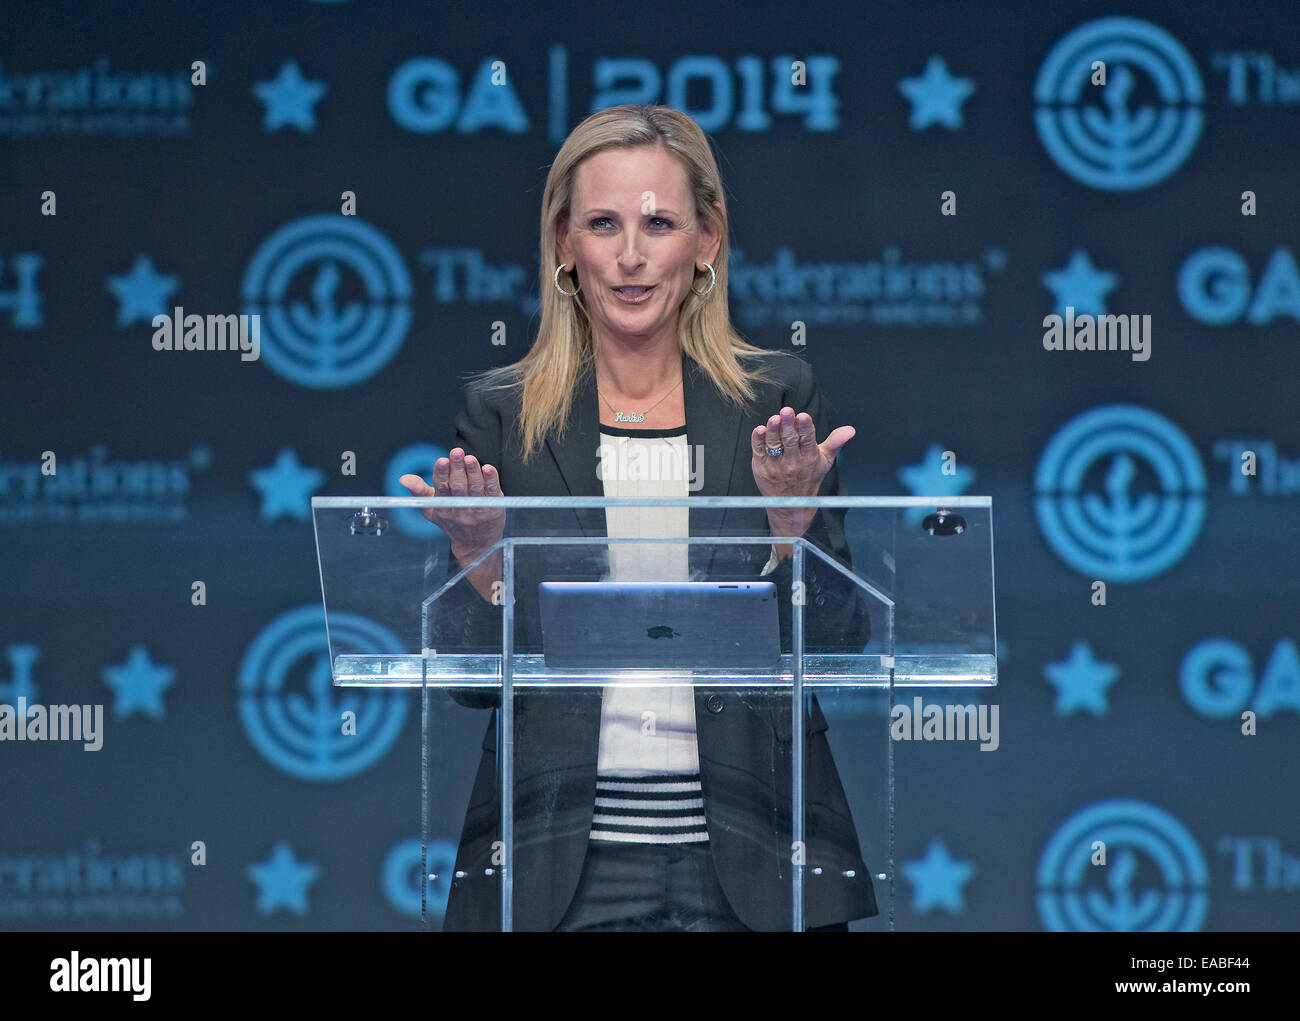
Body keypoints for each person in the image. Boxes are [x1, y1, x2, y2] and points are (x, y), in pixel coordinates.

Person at [400, 104, 877, 931]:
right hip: (555, 861)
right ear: (563, 244)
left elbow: (838, 644)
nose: (629, 256)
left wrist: (792, 528)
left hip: (755, 847)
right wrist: (482, 562)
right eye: (602, 224)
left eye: (658, 223)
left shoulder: (775, 400)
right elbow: (470, 686)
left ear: (706, 242)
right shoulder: (505, 416)